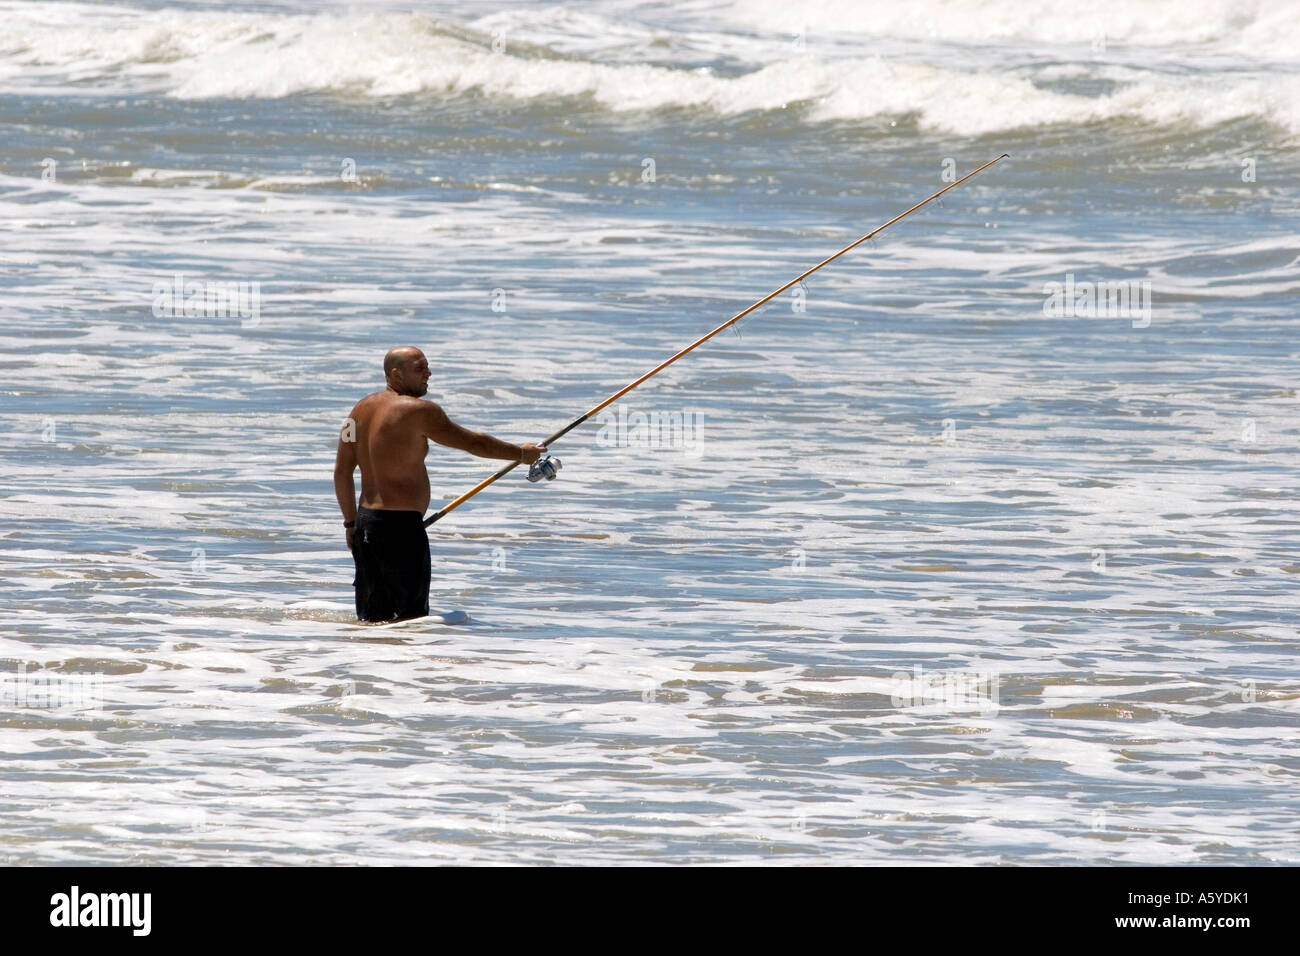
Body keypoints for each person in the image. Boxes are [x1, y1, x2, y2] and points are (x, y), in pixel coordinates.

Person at [333, 346, 545, 622]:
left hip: (366, 526)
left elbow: (341, 471)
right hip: (400, 531)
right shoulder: (419, 411)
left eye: (428, 366)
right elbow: (473, 442)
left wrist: (350, 524)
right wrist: (521, 454)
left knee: (373, 621)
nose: (429, 373)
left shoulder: (358, 411)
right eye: (420, 368)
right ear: (396, 374)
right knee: (411, 622)